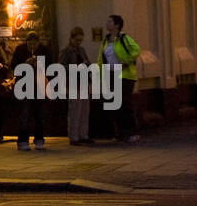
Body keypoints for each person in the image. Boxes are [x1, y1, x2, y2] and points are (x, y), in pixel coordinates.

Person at [101, 15, 141, 143]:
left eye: (110, 22)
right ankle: (119, 132)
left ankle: (131, 132)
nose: (107, 24)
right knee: (114, 104)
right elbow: (101, 58)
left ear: (117, 25)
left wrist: (126, 61)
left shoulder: (124, 38)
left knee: (125, 103)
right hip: (111, 74)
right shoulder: (106, 40)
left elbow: (136, 50)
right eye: (107, 21)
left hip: (125, 76)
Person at [10, 31, 50, 150]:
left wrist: (39, 65)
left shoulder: (44, 50)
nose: (32, 46)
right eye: (30, 44)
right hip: (24, 86)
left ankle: (39, 139)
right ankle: (23, 140)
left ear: (38, 43)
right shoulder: (20, 50)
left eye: (35, 44)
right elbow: (13, 67)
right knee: (24, 114)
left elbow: (50, 66)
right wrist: (25, 64)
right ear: (26, 42)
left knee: (39, 114)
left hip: (39, 85)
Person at [59, 27, 93, 146]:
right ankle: (74, 136)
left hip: (83, 82)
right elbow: (61, 67)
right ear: (71, 38)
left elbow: (87, 61)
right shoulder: (66, 52)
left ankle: (83, 135)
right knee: (75, 111)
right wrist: (77, 67)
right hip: (73, 83)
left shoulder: (81, 50)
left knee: (84, 110)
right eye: (77, 40)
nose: (79, 43)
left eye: (80, 40)